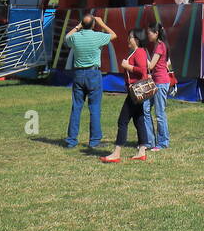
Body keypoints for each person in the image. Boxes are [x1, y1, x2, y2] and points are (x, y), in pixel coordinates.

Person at [64, 11, 117, 150]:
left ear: (82, 24)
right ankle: (94, 141)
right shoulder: (98, 36)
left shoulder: (75, 37)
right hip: (93, 73)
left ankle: (71, 140)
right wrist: (102, 23)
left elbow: (66, 37)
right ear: (93, 24)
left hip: (79, 74)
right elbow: (114, 35)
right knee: (94, 108)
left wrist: (78, 26)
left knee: (76, 107)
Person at [100, 30, 153, 163]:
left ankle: (116, 153)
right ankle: (142, 151)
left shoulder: (139, 52)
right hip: (136, 92)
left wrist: (127, 66)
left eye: (130, 37)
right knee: (139, 120)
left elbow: (142, 71)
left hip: (135, 92)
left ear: (136, 39)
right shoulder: (138, 52)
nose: (128, 40)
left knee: (122, 121)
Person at [145, 23, 172, 150]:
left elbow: (150, 66)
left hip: (161, 82)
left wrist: (142, 55)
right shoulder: (161, 45)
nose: (148, 35)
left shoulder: (160, 46)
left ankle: (163, 142)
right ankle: (151, 140)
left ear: (156, 33)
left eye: (149, 33)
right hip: (157, 81)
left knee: (160, 114)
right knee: (146, 109)